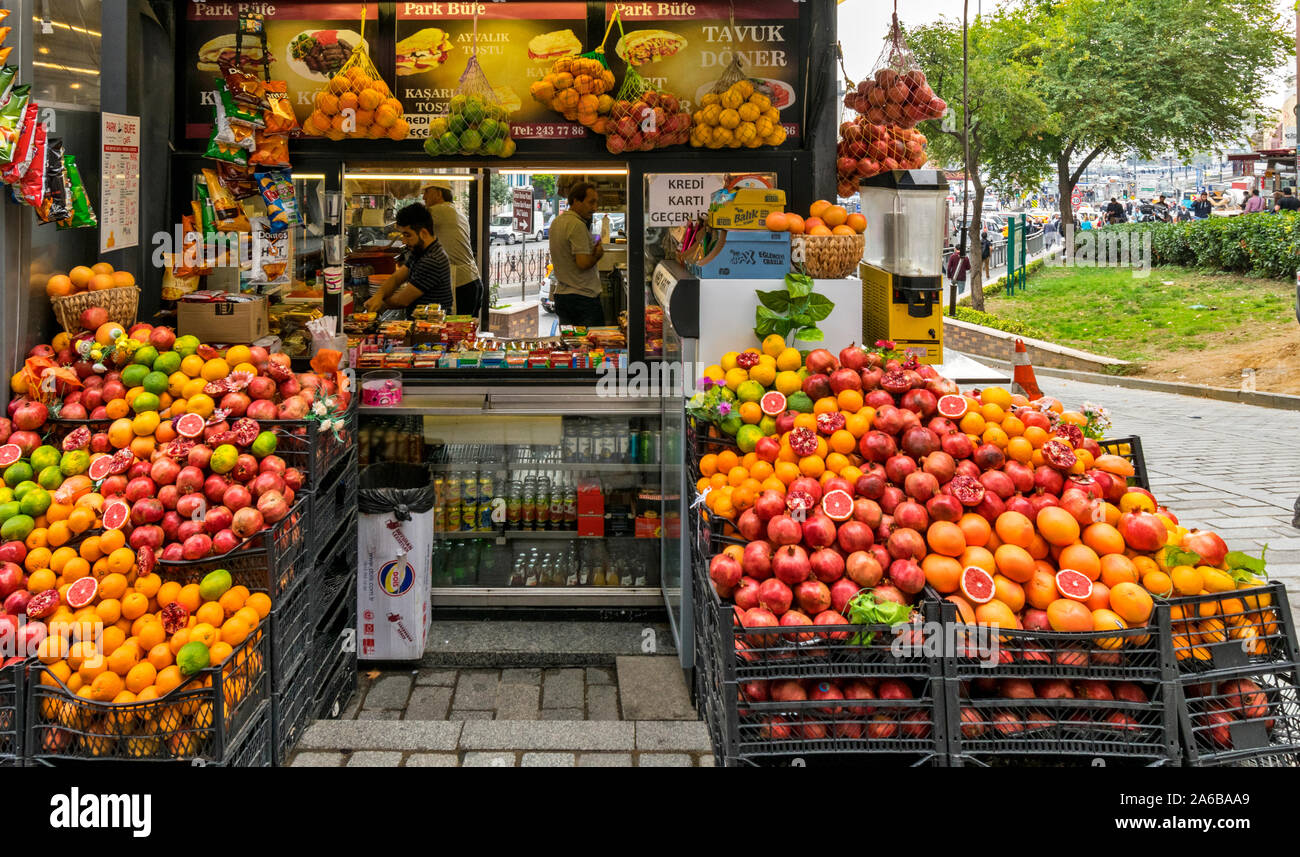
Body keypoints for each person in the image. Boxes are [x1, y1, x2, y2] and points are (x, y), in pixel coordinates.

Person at [364, 203, 451, 316]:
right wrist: (378, 296)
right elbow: (396, 278)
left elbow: (402, 300)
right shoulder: (421, 251)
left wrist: (378, 303)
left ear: (423, 233)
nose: (404, 241)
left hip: (431, 327)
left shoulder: (432, 260)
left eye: (407, 235)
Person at [548, 182, 606, 327]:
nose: (594, 208)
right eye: (591, 202)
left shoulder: (557, 222)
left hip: (563, 295)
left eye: (596, 203)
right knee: (591, 346)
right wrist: (598, 254)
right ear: (575, 201)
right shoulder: (577, 225)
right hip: (583, 299)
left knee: (571, 346)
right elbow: (583, 263)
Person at [423, 182, 482, 318]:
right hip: (472, 281)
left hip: (461, 284)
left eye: (427, 192)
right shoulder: (454, 210)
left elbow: (409, 224)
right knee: (466, 332)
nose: (424, 197)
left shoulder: (438, 210)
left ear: (439, 193)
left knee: (456, 331)